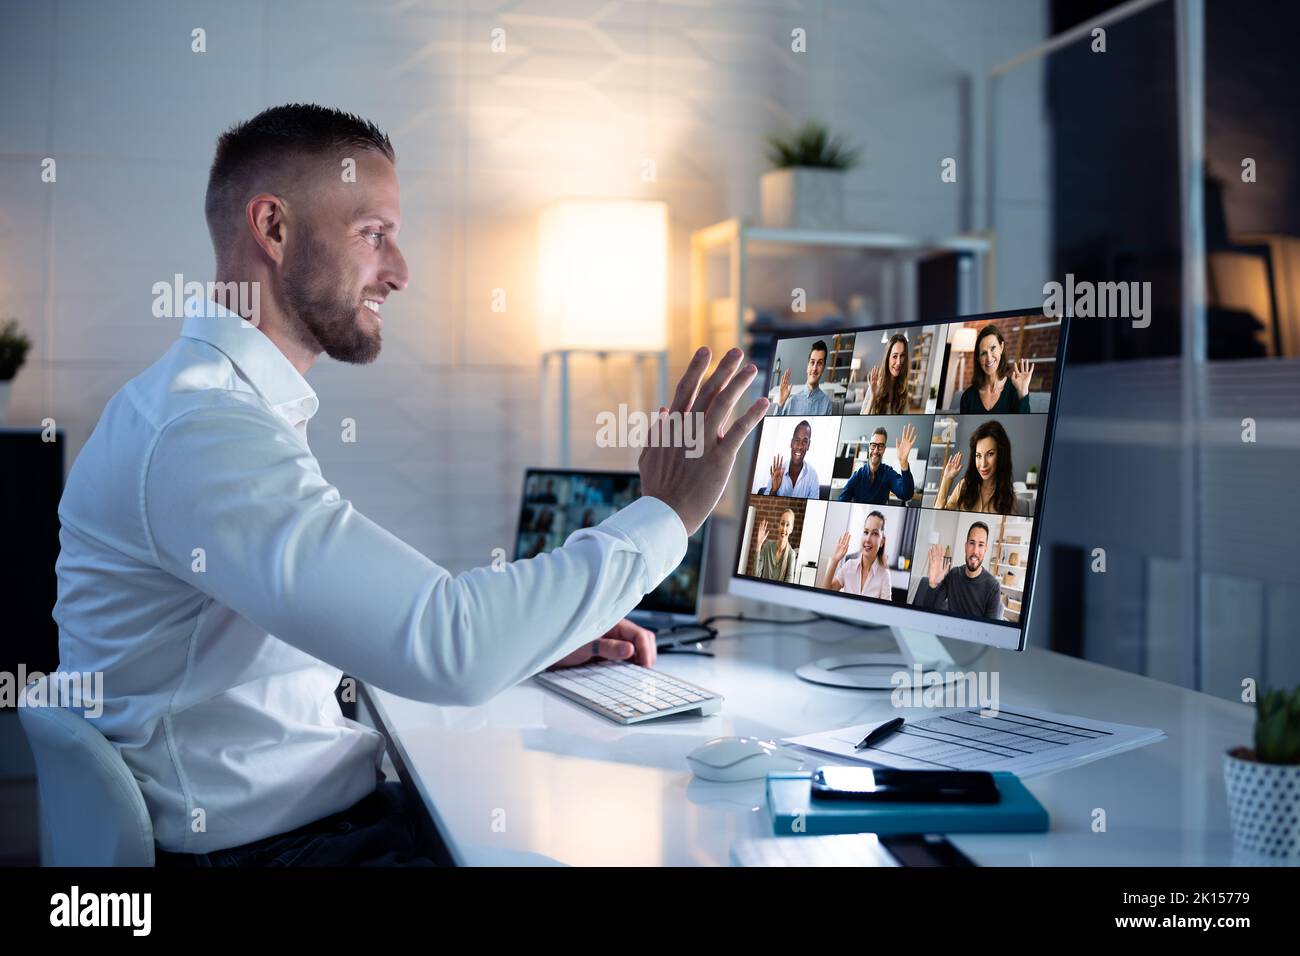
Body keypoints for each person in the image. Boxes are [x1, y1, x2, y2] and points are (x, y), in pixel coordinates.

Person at [52, 104, 768, 868]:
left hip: (296, 829)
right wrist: (665, 513)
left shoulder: (212, 409)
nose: (399, 270)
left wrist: (533, 641)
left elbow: (357, 635)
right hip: (268, 855)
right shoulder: (203, 431)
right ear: (274, 228)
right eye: (373, 234)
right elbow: (446, 644)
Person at [911, 521, 1002, 620]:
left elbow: (990, 631)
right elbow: (930, 610)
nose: (975, 551)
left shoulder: (993, 587)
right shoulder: (954, 574)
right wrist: (932, 585)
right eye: (972, 543)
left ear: (985, 549)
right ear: (966, 546)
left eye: (980, 545)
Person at [934, 419, 1019, 515]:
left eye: (990, 454)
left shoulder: (1009, 498)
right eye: (978, 455)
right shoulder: (964, 486)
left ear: (1001, 455)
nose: (983, 464)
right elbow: (938, 514)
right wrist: (946, 479)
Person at [958, 324, 1033, 414]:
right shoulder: (968, 397)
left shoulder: (1015, 390)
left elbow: (1024, 426)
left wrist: (1023, 392)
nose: (989, 358)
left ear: (1001, 347)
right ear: (978, 359)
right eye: (983, 353)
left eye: (993, 348)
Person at [819, 510, 892, 600]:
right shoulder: (849, 566)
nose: (868, 539)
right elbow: (825, 594)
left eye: (875, 533)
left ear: (882, 542)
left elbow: (885, 611)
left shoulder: (884, 575)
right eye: (866, 532)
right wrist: (835, 560)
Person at [837, 424, 916, 505]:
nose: (875, 451)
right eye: (873, 445)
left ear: (884, 449)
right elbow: (841, 502)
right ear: (869, 446)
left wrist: (903, 463)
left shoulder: (888, 473)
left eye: (880, 446)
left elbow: (906, 495)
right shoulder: (857, 476)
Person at [760, 420, 821, 498]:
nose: (799, 446)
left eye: (804, 442)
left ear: (808, 445)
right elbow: (766, 502)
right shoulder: (778, 471)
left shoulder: (813, 475)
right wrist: (773, 491)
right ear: (791, 443)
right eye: (797, 440)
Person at [772, 340, 833, 417]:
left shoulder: (828, 405)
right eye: (812, 362)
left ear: (823, 368)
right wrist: (780, 403)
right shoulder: (791, 402)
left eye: (820, 363)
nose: (814, 368)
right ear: (807, 366)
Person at [865, 332, 910, 414]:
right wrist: (873, 397)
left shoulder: (903, 391)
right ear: (887, 358)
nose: (899, 362)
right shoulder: (875, 385)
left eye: (902, 356)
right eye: (895, 356)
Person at [752, 509, 798, 583]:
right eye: (782, 524)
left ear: (791, 529)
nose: (784, 528)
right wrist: (759, 545)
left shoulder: (791, 554)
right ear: (778, 526)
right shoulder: (768, 546)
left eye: (788, 525)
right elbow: (755, 575)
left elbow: (788, 586)